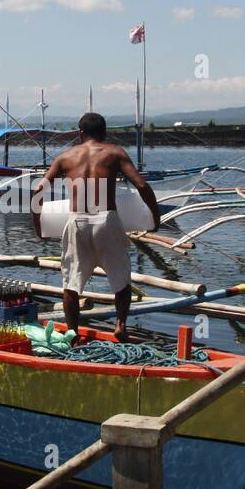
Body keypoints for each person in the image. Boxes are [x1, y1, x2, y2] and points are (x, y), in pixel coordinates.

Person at [32, 112, 160, 342]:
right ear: (104, 132)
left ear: (80, 133)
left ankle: (73, 333)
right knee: (121, 280)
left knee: (71, 284)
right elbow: (142, 185)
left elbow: (37, 191)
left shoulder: (65, 157)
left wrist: (38, 226)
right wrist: (154, 217)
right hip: (106, 219)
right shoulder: (115, 153)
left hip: (77, 221)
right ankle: (120, 325)